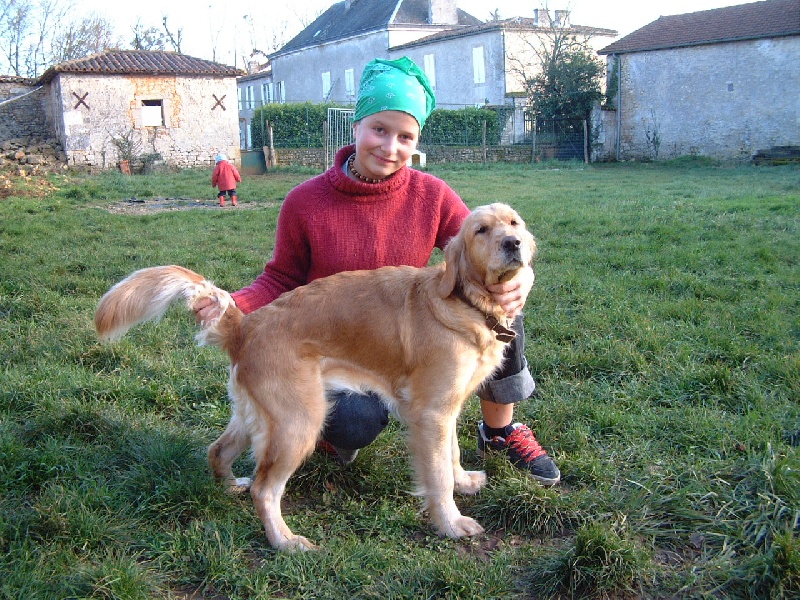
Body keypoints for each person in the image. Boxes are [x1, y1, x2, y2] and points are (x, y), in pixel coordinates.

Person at [195, 57, 560, 486]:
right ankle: (315, 429)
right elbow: (281, 277)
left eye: (405, 137)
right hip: (341, 339)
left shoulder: (432, 194)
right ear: (356, 127)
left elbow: (482, 248)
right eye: (379, 130)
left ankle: (499, 431)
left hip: (408, 333)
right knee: (355, 420)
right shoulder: (304, 201)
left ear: (416, 141)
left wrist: (523, 278)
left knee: (501, 312)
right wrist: (231, 304)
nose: (390, 147)